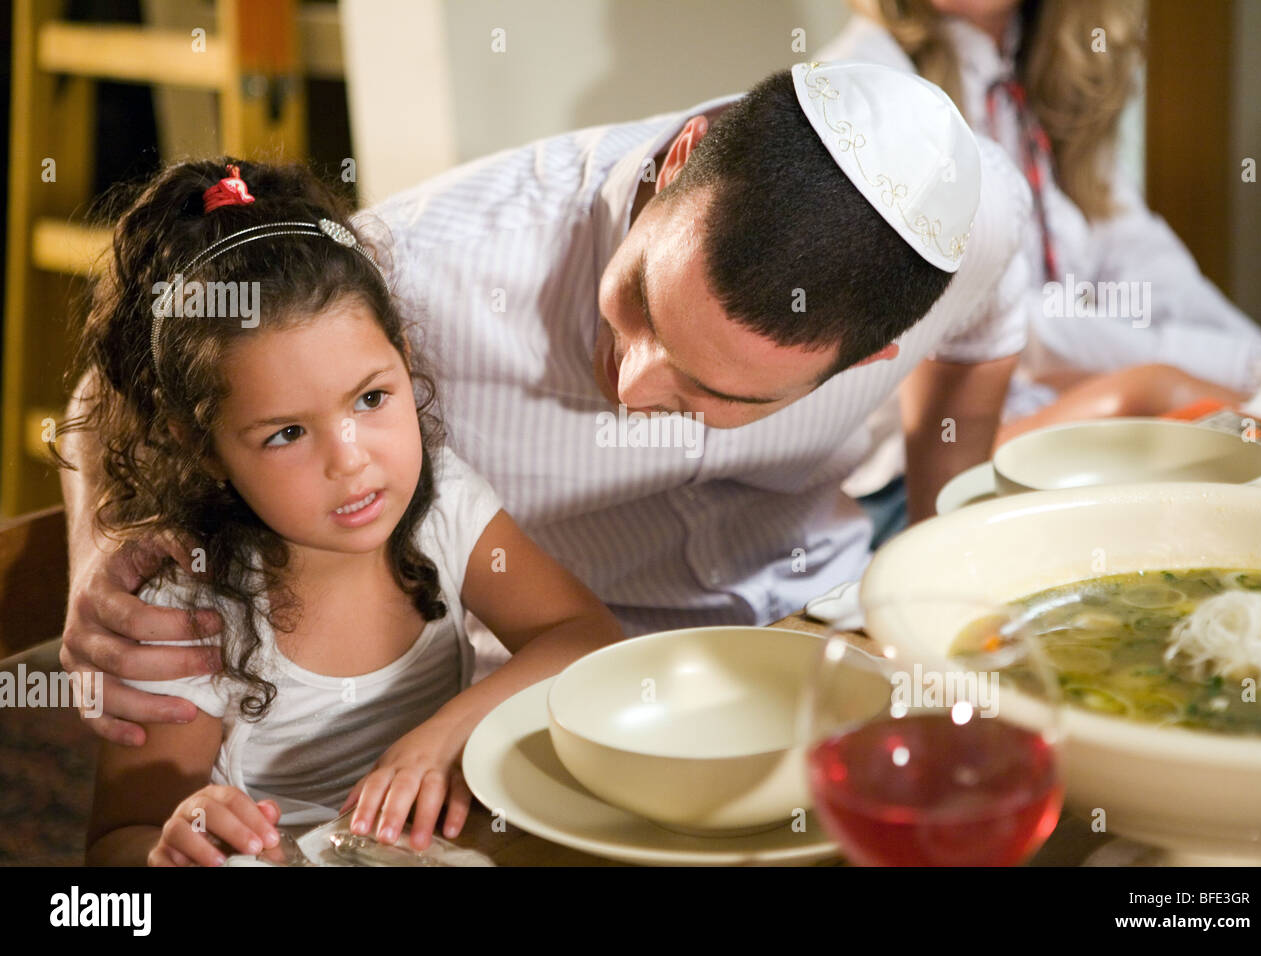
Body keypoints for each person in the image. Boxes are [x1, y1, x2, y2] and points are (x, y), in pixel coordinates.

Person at [59, 63, 1034, 747]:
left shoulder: (968, 222)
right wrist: (100, 540)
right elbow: (113, 378)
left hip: (826, 619)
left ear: (874, 354)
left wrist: (933, 579)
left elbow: (979, 352)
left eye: (719, 392)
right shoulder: (433, 259)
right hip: (545, 689)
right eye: (638, 304)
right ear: (684, 154)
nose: (634, 383)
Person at [63, 161, 624, 865]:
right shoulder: (190, 614)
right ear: (202, 447)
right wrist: (170, 848)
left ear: (404, 356)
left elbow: (586, 635)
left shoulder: (443, 503)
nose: (351, 458)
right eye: (287, 434)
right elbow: (115, 846)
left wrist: (444, 735)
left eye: (370, 399)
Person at [823, 0, 1261, 537]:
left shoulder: (1033, 67)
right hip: (912, 481)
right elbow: (1009, 325)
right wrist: (1240, 372)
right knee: (1158, 399)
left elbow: (1145, 262)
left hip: (1052, 429)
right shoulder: (866, 88)